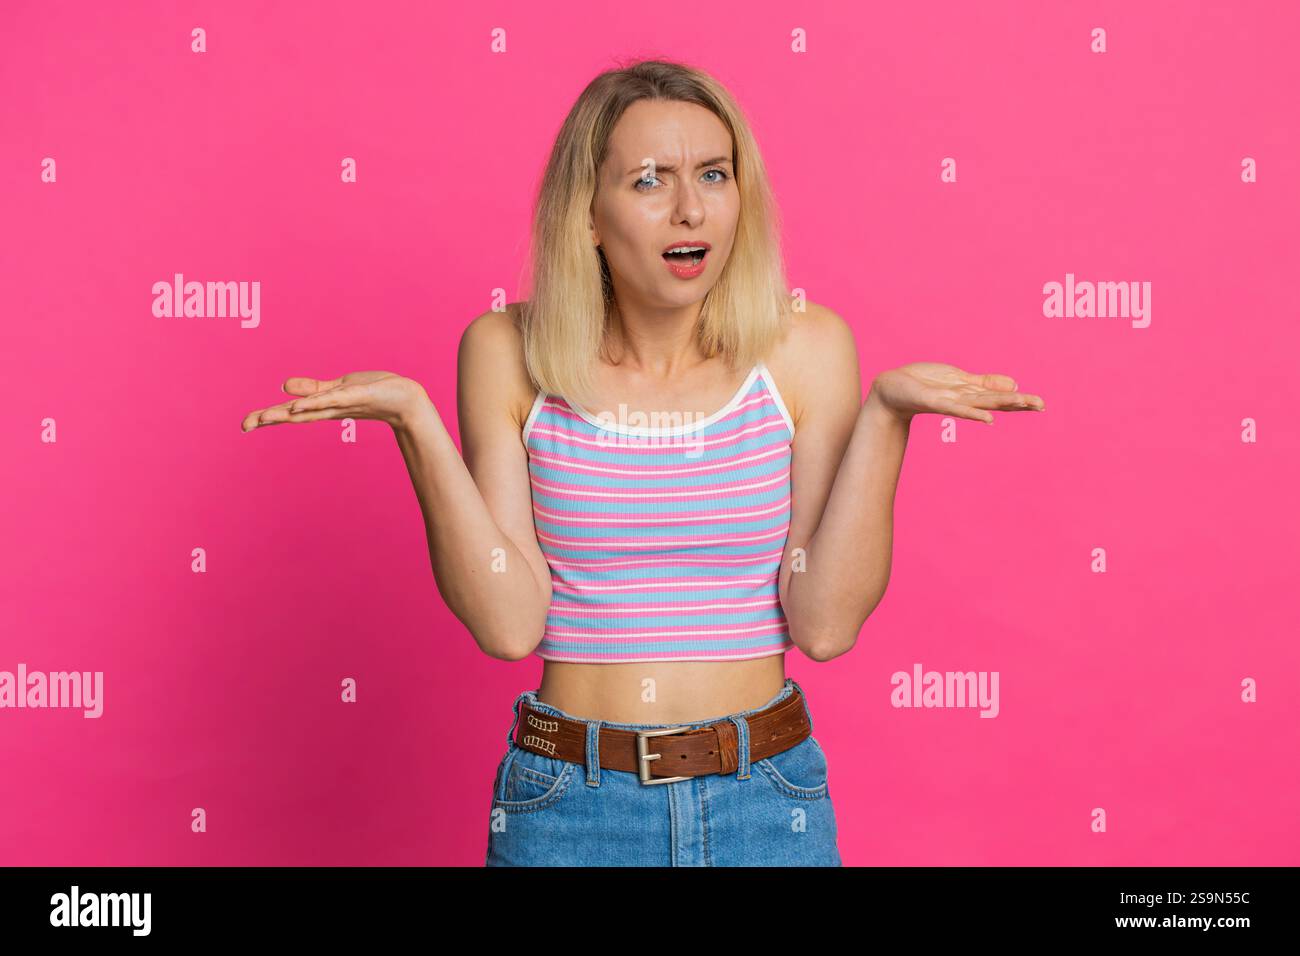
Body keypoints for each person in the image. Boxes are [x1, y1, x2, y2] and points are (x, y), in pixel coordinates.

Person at [240, 58, 1045, 866]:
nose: (690, 208)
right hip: (567, 806)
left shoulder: (804, 350)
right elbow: (509, 624)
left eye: (714, 174)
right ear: (588, 213)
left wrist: (886, 417)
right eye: (650, 181)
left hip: (767, 804)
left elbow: (826, 626)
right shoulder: (506, 353)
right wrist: (414, 423)